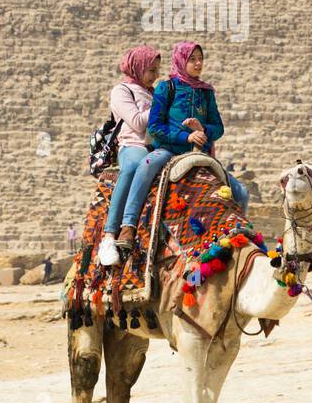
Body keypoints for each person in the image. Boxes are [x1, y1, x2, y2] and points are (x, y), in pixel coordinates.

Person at [115, 41, 248, 254]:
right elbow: (155, 127)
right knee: (147, 165)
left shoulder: (206, 93)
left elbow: (219, 127)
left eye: (200, 59)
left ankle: (238, 235)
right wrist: (187, 136)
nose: (198, 64)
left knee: (241, 191)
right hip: (169, 150)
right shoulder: (166, 88)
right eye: (192, 59)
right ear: (181, 61)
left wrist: (202, 129)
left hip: (198, 152)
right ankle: (128, 226)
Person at [97, 45, 162, 266]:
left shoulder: (154, 93)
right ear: (138, 68)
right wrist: (161, 105)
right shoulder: (122, 91)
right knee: (134, 165)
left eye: (157, 70)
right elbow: (136, 122)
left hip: (158, 147)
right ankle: (110, 234)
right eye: (151, 70)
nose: (156, 76)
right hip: (132, 145)